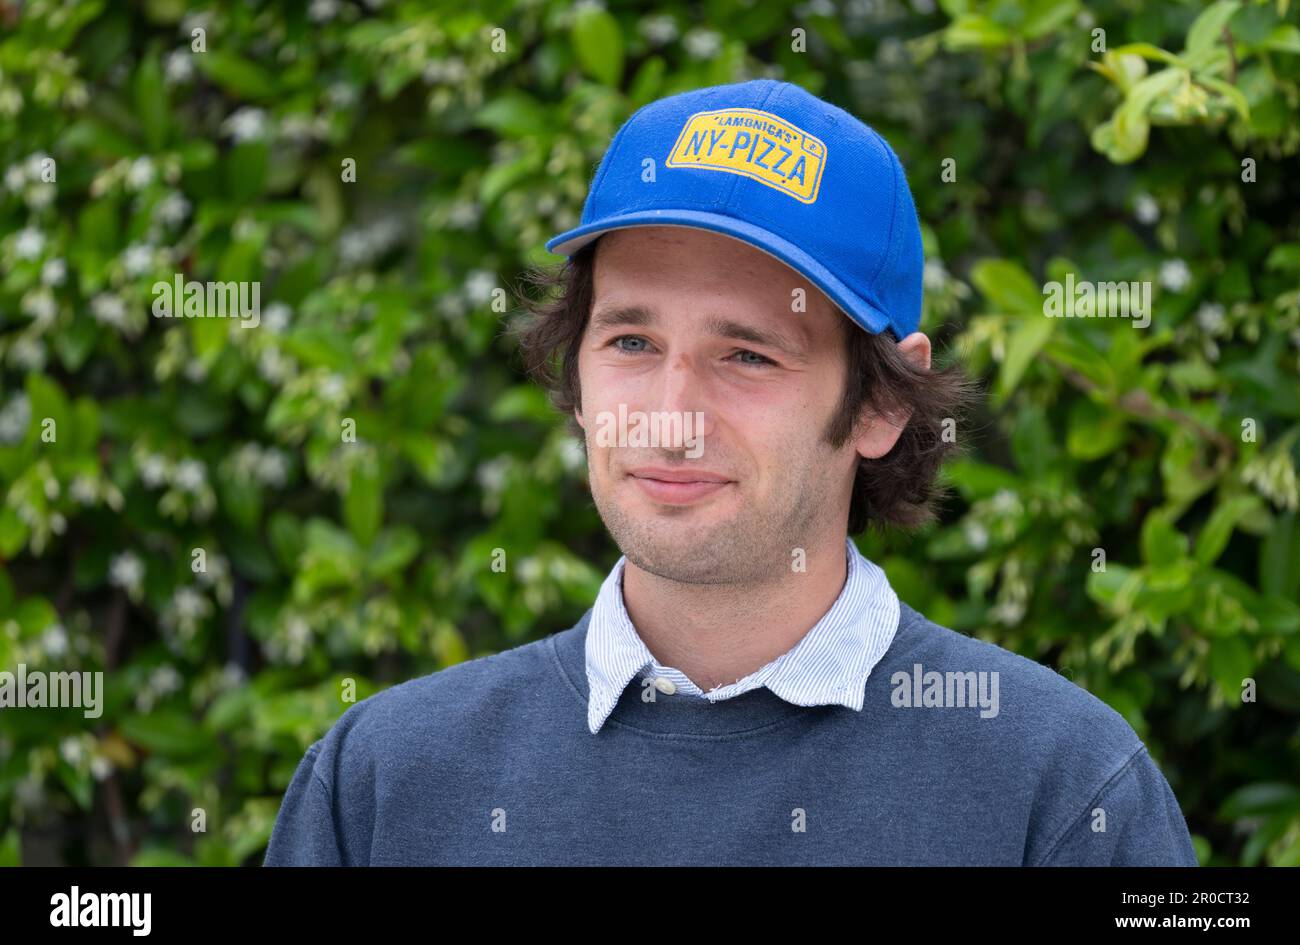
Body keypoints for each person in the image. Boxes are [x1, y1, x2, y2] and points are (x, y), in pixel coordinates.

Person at [264, 78, 1198, 866]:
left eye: (748, 356)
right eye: (631, 340)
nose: (669, 416)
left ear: (880, 404)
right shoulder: (381, 785)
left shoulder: (1065, 792)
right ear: (578, 377)